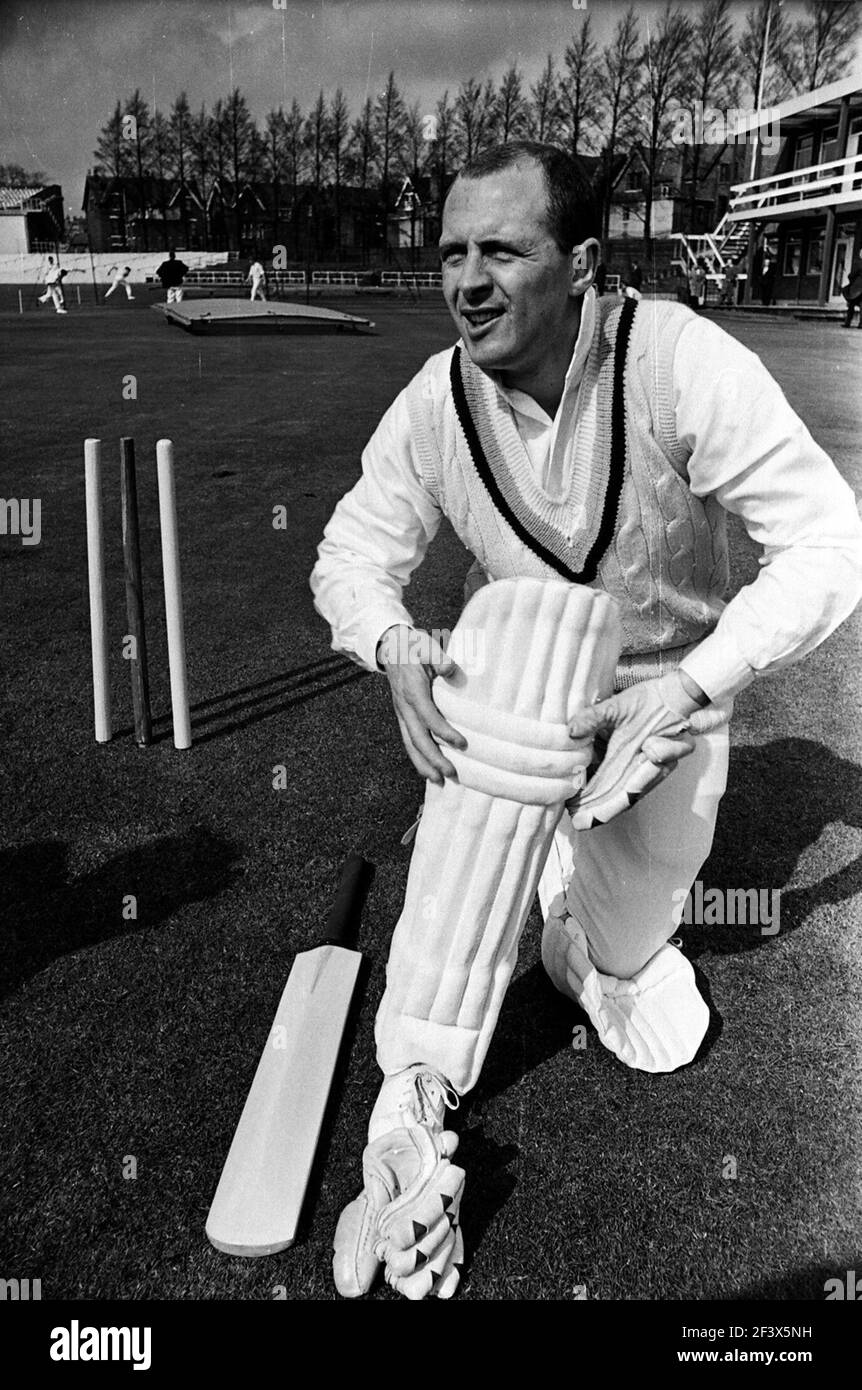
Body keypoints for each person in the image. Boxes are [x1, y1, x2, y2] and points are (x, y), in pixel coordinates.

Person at [310, 141, 862, 1301]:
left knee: (639, 992)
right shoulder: (434, 403)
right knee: (499, 679)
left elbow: (827, 540)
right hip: (510, 702)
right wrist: (392, 646)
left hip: (658, 707)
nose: (466, 278)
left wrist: (694, 685)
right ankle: (412, 1092)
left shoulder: (671, 362)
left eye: (501, 249)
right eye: (451, 249)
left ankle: (581, 937)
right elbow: (353, 554)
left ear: (583, 263)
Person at [841, 248, 862, 328]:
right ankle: (861, 324)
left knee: (851, 304)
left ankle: (847, 322)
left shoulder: (858, 263)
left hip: (857, 288)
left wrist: (851, 281)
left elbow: (852, 275)